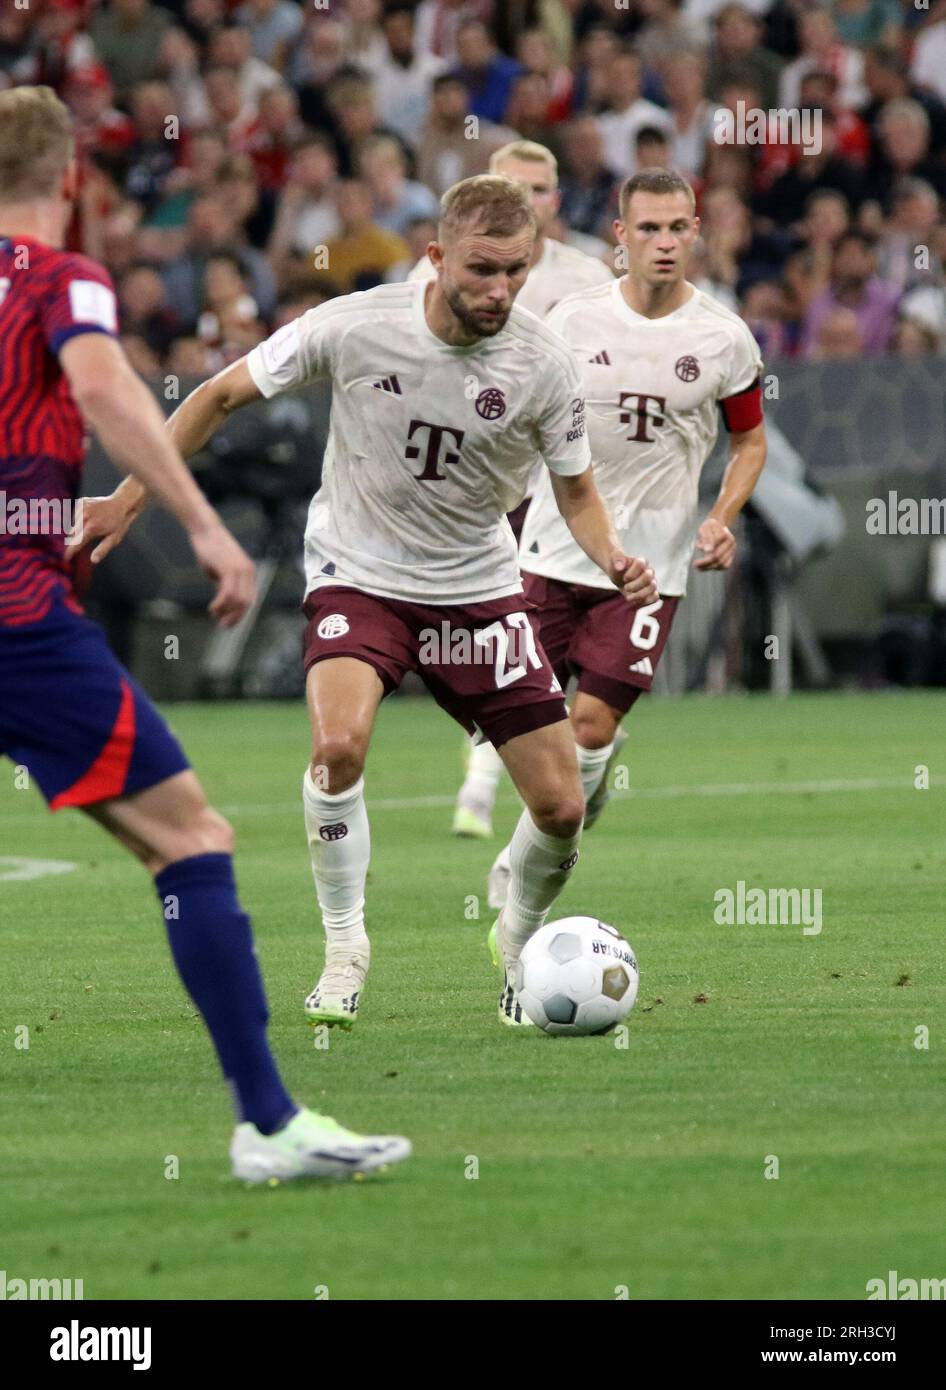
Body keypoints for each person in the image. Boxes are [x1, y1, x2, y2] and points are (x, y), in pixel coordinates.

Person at [79, 174, 659, 1030]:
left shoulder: (542, 365)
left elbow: (576, 490)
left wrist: (610, 555)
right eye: (481, 271)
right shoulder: (355, 324)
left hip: (479, 590)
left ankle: (518, 943)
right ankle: (345, 948)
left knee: (563, 806)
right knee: (340, 746)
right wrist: (132, 495)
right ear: (435, 258)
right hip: (361, 573)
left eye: (515, 271)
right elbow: (218, 395)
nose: (499, 290)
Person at [0, 85, 410, 1183]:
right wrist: (197, 521)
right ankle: (268, 1124)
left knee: (164, 838)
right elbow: (100, 385)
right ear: (73, 179)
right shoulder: (65, 282)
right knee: (193, 839)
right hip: (18, 620)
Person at [484, 168, 768, 919]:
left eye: (678, 227)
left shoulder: (724, 339)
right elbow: (519, 422)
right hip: (548, 553)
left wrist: (723, 516)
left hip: (650, 571)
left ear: (697, 232)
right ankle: (575, 800)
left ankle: (517, 879)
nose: (664, 243)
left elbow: (749, 442)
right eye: (648, 228)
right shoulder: (570, 323)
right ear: (621, 236)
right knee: (526, 735)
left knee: (589, 725)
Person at [421, 141, 615, 839]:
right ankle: (506, 776)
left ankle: (502, 780)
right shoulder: (442, 267)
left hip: (558, 474)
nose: (526, 199)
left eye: (538, 188)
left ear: (555, 199)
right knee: (491, 637)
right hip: (472, 474)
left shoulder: (590, 276)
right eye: (511, 186)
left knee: (521, 637)